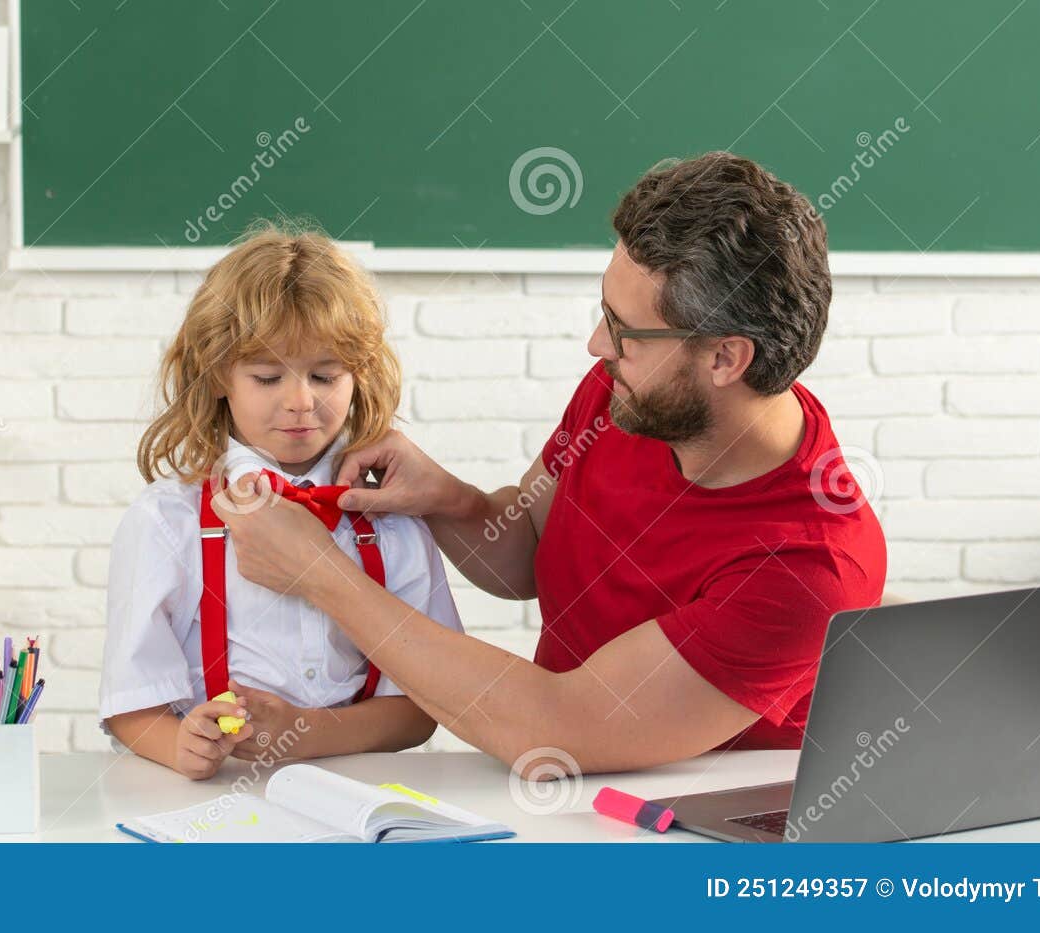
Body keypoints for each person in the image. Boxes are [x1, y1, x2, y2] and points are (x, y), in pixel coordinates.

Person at [214, 153, 887, 775]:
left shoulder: (810, 567)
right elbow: (532, 551)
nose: (598, 344)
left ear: (725, 359)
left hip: (680, 820)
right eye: (604, 311)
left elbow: (557, 730)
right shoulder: (630, 395)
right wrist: (448, 499)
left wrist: (321, 576)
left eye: (624, 330)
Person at [98, 225, 462, 779]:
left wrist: (308, 736)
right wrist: (179, 745)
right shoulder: (164, 523)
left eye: (325, 374)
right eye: (268, 376)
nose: (300, 401)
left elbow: (422, 708)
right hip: (218, 798)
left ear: (359, 375)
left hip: (361, 788)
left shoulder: (394, 521)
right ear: (220, 375)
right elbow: (133, 704)